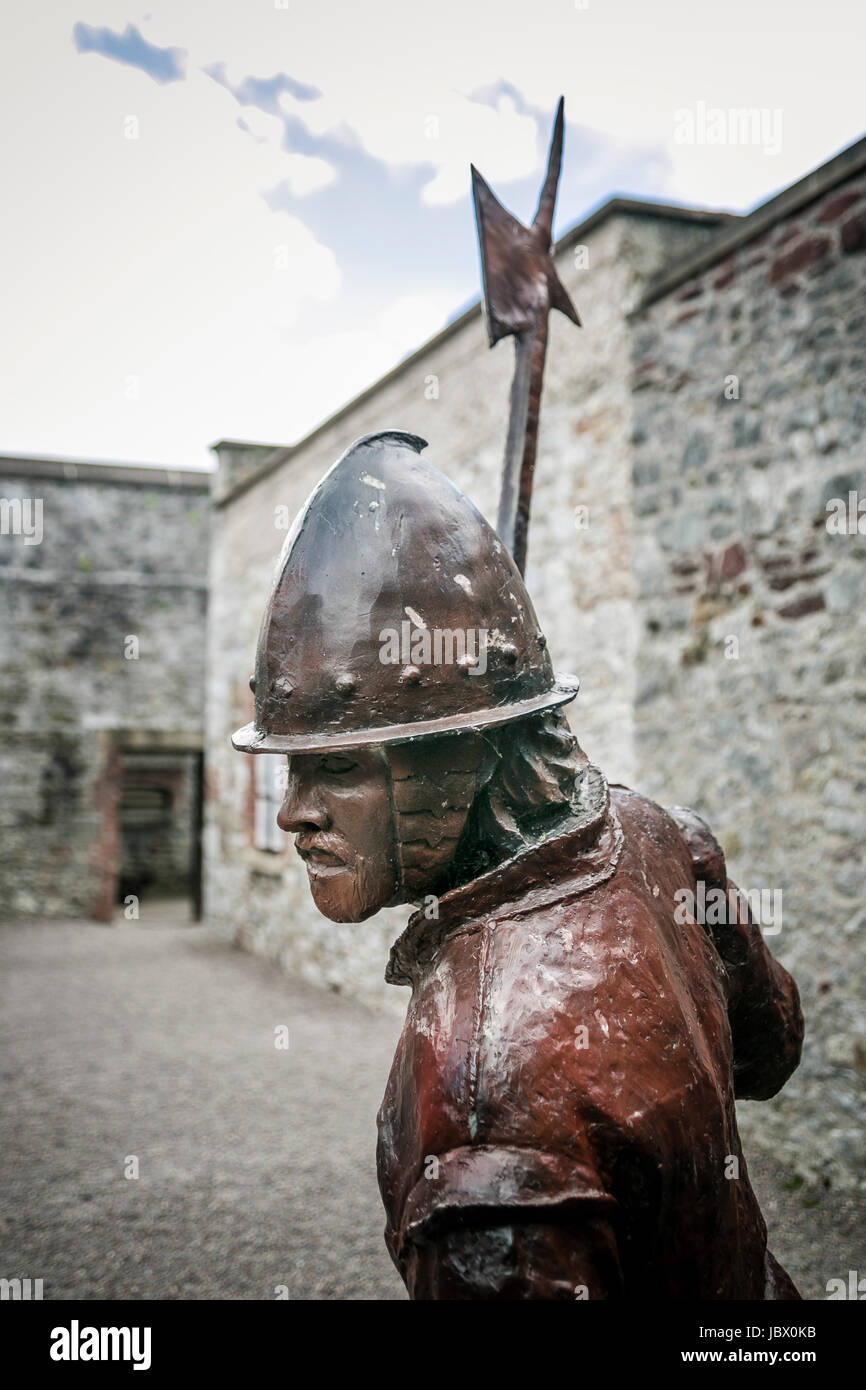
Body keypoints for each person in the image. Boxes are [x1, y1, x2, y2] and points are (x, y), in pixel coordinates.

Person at [233, 429, 804, 1300]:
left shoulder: (476, 1110)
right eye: (292, 766)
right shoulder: (668, 836)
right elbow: (770, 1052)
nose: (292, 812)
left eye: (339, 766)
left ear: (462, 754)